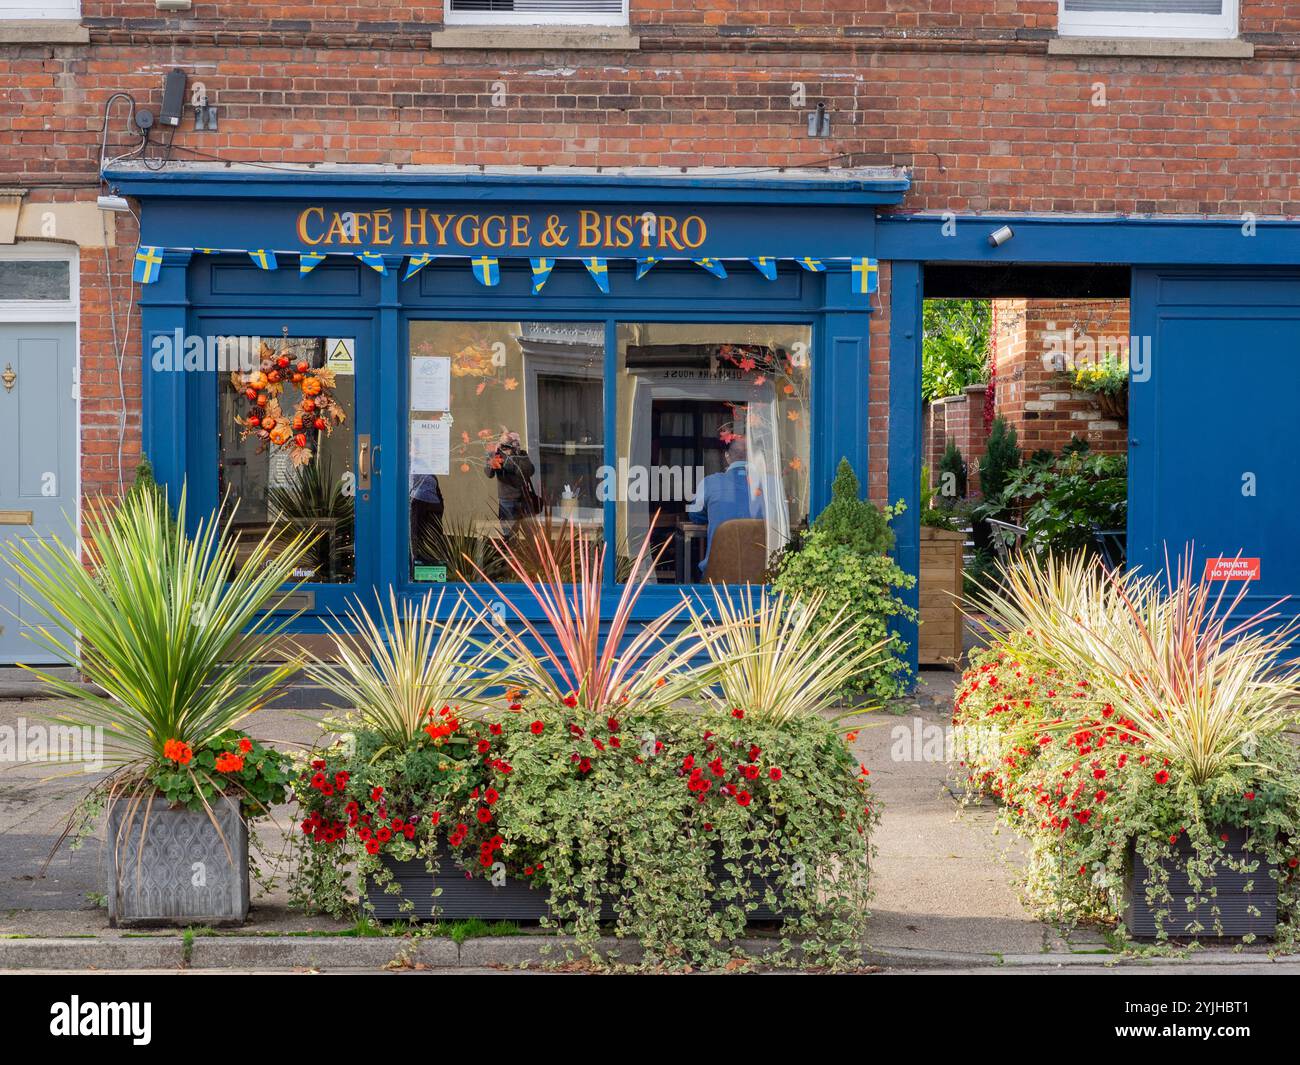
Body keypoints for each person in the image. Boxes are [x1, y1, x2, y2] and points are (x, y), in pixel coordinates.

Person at [686, 435, 764, 576]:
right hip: (763, 575)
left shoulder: (709, 482)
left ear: (727, 457)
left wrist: (714, 514)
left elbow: (693, 513)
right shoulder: (769, 486)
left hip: (718, 574)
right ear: (753, 457)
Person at [484, 430, 539, 522]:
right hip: (506, 500)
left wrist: (515, 454)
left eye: (510, 441)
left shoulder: (521, 454)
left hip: (524, 499)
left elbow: (530, 471)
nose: (507, 445)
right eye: (504, 442)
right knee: (509, 533)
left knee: (530, 532)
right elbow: (489, 473)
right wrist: (493, 454)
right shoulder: (497, 456)